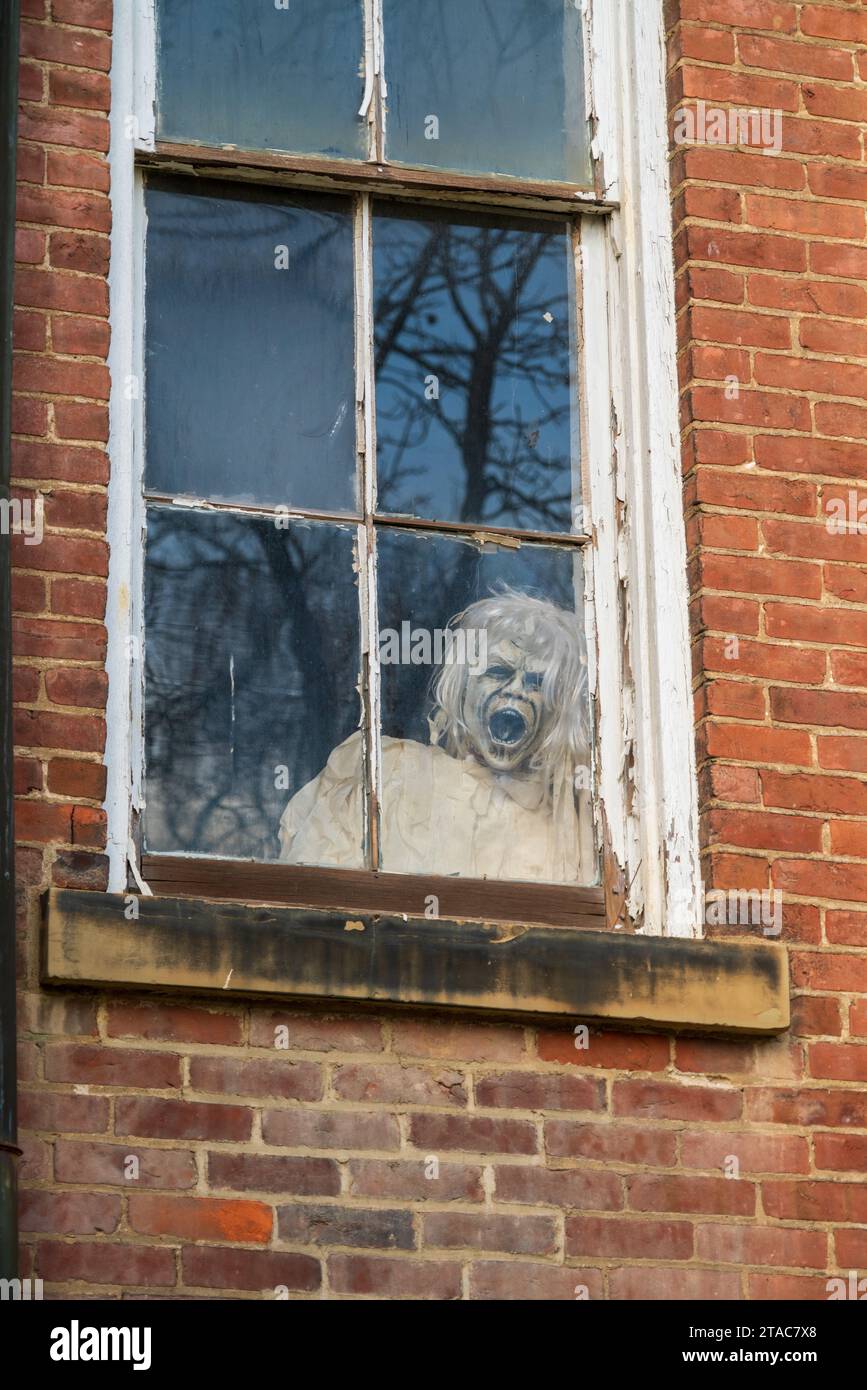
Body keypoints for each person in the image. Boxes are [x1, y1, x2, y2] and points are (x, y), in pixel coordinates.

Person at [278, 590, 595, 884]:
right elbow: (311, 895)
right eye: (497, 672)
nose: (515, 691)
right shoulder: (390, 775)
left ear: (557, 709)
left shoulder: (568, 834)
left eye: (537, 683)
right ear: (463, 688)